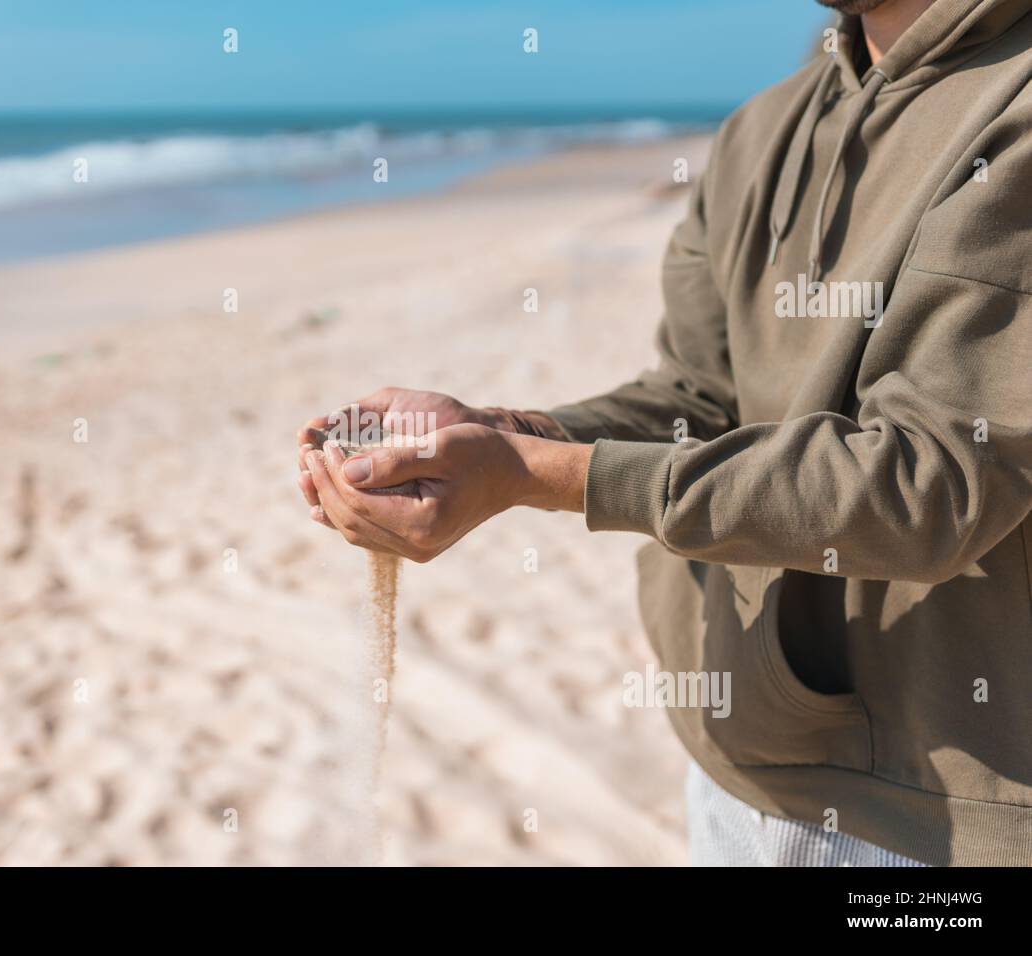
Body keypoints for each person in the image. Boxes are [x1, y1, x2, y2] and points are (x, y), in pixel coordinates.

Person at [296, 0, 1032, 866]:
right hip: (731, 755)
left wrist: (539, 474)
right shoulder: (762, 129)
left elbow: (926, 484)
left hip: (932, 815)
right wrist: (501, 431)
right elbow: (693, 394)